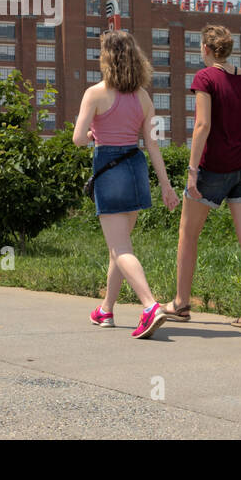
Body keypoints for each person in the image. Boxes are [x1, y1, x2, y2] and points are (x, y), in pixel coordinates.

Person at [72, 30, 179, 339]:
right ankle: (106, 309)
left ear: (107, 60)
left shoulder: (95, 93)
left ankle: (149, 306)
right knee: (118, 248)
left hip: (109, 168)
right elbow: (154, 145)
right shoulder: (144, 97)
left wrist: (93, 133)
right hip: (136, 167)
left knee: (120, 247)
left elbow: (78, 139)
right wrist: (166, 186)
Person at [162, 25, 241, 329]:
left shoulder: (205, 78)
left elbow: (202, 126)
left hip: (213, 169)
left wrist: (192, 171)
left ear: (205, 49)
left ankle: (181, 303)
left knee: (188, 233)